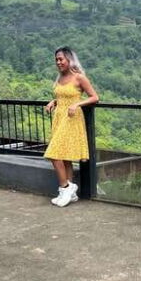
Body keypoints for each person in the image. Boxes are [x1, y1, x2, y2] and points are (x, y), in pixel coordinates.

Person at [44, 47, 99, 207]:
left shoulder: (79, 77)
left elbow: (94, 97)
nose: (58, 62)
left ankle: (65, 187)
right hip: (60, 117)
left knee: (53, 154)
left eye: (61, 59)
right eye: (56, 59)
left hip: (72, 118)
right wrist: (54, 101)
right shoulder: (60, 78)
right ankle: (71, 194)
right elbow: (63, 96)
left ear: (69, 59)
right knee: (64, 156)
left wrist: (77, 104)